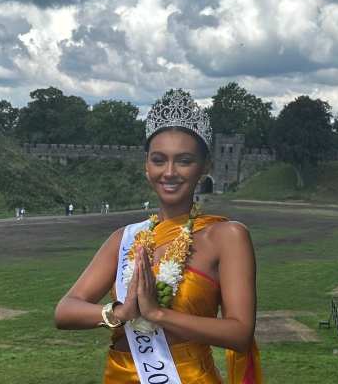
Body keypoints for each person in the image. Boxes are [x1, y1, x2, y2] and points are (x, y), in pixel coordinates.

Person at [54, 91, 262, 383]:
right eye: (159, 160)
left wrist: (159, 314)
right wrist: (120, 312)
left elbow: (240, 333)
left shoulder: (227, 236)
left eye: (184, 160)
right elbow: (65, 311)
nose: (169, 172)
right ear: (147, 165)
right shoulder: (124, 238)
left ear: (205, 167)